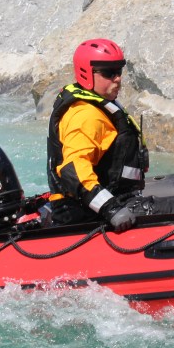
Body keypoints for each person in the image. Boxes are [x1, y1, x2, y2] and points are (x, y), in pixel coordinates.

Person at [45, 38, 150, 232]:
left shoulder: (100, 105)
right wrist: (110, 208)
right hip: (83, 213)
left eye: (118, 71)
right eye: (109, 73)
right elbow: (73, 170)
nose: (117, 78)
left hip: (115, 198)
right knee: (173, 209)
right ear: (87, 73)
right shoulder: (85, 115)